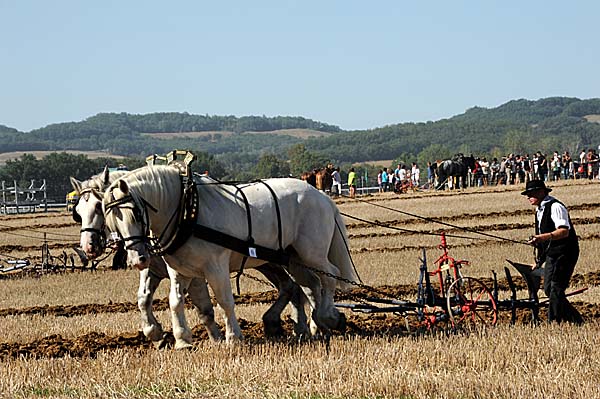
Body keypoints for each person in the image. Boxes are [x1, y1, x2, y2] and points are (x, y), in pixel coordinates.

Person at [523, 180, 583, 324]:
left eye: (531, 193)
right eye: (527, 194)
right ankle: (576, 320)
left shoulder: (556, 206)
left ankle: (554, 322)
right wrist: (538, 261)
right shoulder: (539, 210)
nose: (528, 197)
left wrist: (542, 237)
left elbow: (564, 231)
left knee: (555, 288)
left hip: (565, 252)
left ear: (541, 192)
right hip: (552, 253)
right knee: (548, 289)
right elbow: (543, 240)